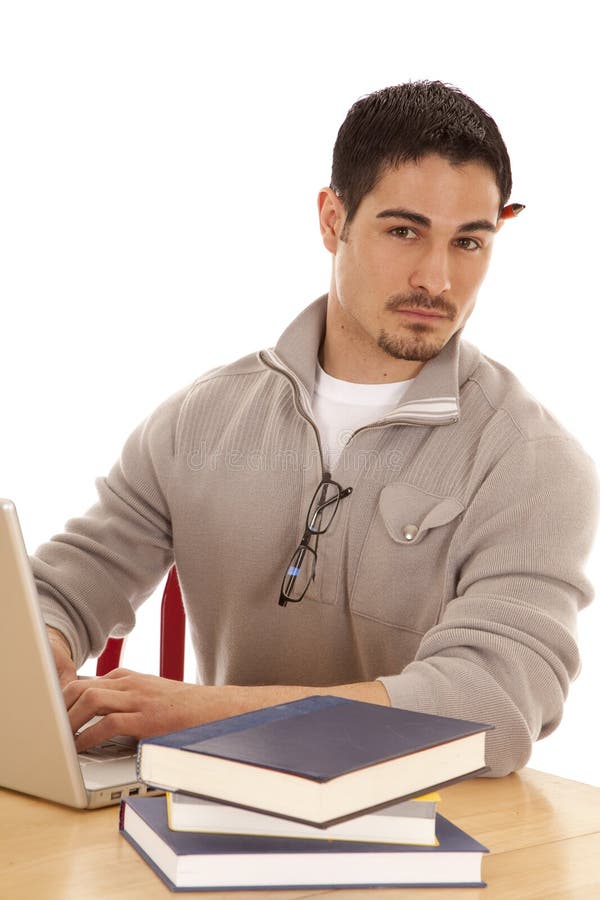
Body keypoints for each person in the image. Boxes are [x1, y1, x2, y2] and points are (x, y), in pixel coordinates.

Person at [36, 80, 597, 776]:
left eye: (469, 242)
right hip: (219, 825)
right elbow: (58, 591)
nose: (438, 278)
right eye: (404, 231)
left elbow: (495, 706)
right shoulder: (197, 421)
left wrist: (201, 715)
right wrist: (44, 671)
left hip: (437, 848)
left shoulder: (532, 460)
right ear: (333, 219)